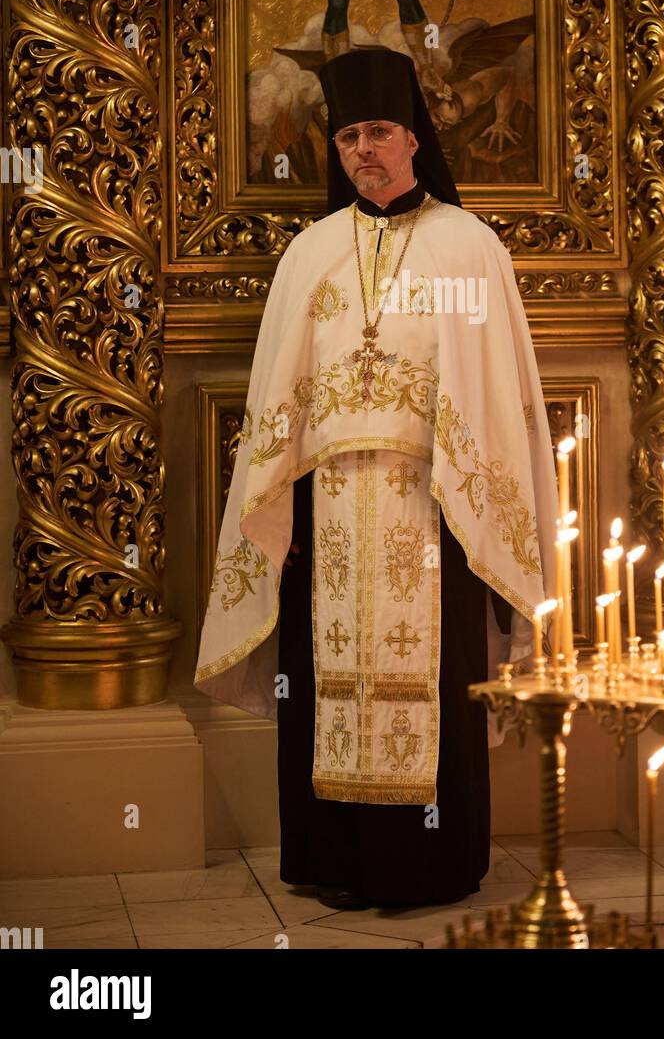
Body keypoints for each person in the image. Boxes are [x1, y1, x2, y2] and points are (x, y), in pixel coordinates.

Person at [194, 46, 558, 909]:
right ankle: (339, 865)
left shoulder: (471, 249)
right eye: (350, 134)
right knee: (323, 687)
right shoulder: (308, 255)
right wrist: (277, 509)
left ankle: (431, 864)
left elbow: (503, 400)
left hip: (437, 515)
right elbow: (277, 399)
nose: (364, 148)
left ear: (415, 139)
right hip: (325, 518)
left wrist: (473, 501)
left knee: (437, 686)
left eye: (381, 131)